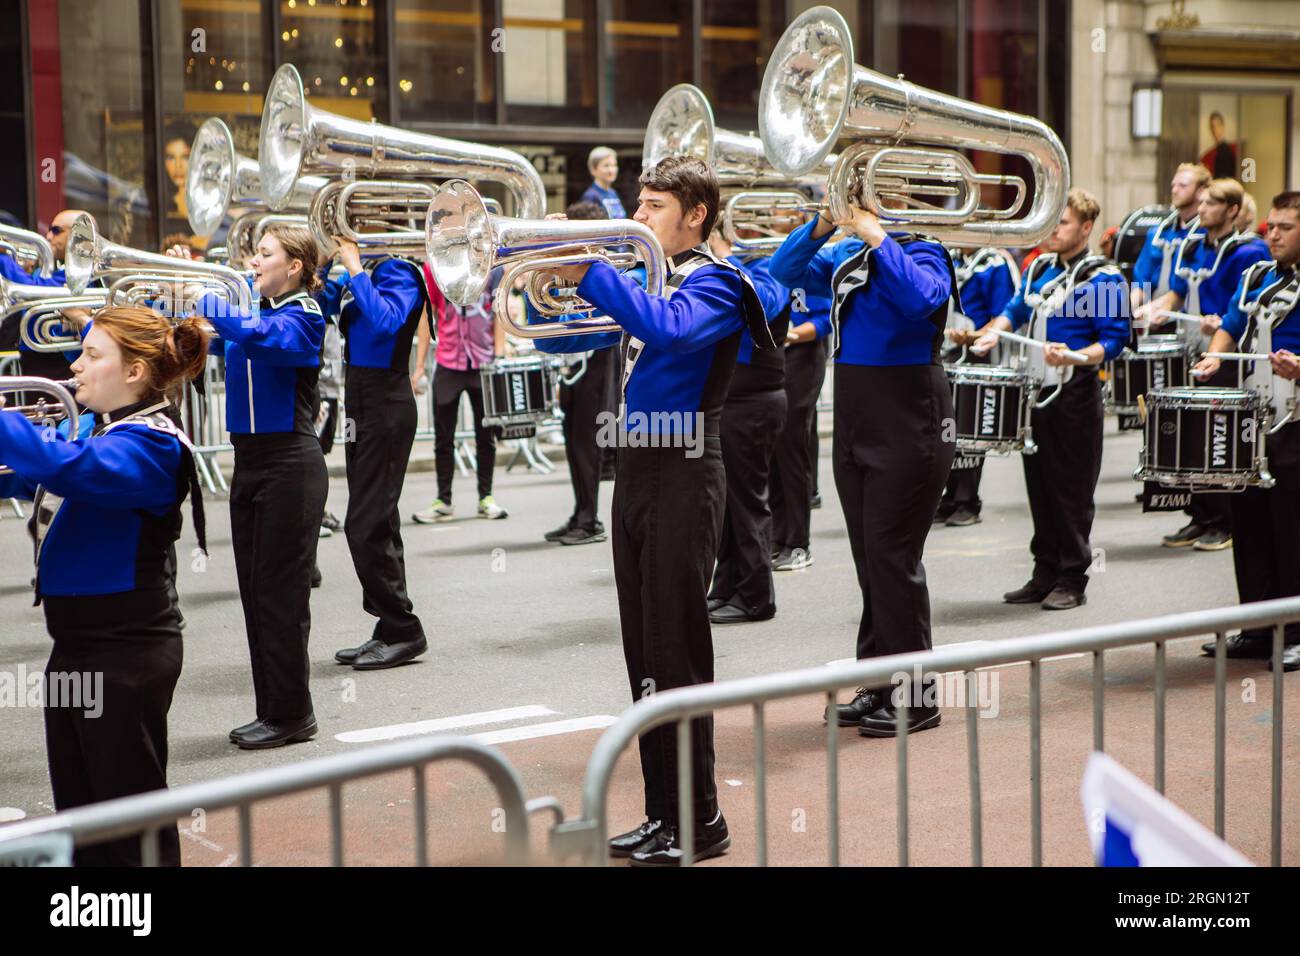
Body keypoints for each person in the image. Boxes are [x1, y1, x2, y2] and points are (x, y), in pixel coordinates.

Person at [545, 155, 775, 865]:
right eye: (639, 204)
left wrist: (590, 270)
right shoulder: (656, 276)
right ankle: (661, 813)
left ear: (695, 215)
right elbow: (597, 331)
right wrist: (555, 278)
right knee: (644, 650)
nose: (636, 216)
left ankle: (700, 821)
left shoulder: (719, 284)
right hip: (640, 469)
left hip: (685, 470)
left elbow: (671, 331)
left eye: (650, 206)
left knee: (678, 652)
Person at [0, 304, 209, 865]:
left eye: (92, 355)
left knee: (129, 818)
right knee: (82, 813)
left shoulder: (154, 443)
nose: (74, 365)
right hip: (75, 644)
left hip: (125, 650)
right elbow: (28, 470)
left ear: (135, 372)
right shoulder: (96, 427)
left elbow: (67, 467)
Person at [770, 183, 957, 739]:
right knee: (870, 559)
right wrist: (826, 223)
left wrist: (878, 236)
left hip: (910, 411)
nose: (861, 203)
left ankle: (918, 696)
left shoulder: (925, 249)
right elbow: (783, 270)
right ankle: (880, 681)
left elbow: (922, 299)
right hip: (855, 412)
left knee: (895, 558)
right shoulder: (842, 255)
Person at [169, 222, 327, 747]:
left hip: (290, 463)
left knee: (281, 597)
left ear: (295, 267)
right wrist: (175, 292)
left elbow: (263, 339)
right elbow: (206, 346)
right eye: (254, 255)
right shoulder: (252, 315)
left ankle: (293, 713)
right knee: (257, 595)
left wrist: (211, 298)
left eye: (264, 254)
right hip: (250, 463)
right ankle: (274, 710)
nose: (253, 263)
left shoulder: (303, 315)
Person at [968, 188, 1130, 612]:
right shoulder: (1040, 266)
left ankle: (1072, 578)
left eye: (1061, 223)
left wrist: (1075, 356)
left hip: (1075, 389)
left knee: (1071, 489)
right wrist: (990, 331)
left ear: (1086, 227)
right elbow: (1015, 309)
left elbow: (1112, 342)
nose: (1052, 230)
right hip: (1036, 388)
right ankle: (1044, 571)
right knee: (1039, 485)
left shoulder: (1103, 277)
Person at [1192, 190, 1300, 673]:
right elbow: (1232, 323)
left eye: (1284, 228)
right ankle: (1257, 628)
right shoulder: (1255, 276)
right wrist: (1216, 352)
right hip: (1252, 416)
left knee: (1292, 527)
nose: (1272, 234)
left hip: (1295, 418)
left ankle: (1296, 632)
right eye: (1270, 226)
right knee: (1250, 521)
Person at [1137, 178, 1271, 551]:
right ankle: (1200, 516)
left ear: (1231, 210)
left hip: (1229, 355)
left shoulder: (1249, 252)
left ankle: (1224, 521)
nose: (1203, 208)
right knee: (1193, 434)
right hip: (1195, 349)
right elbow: (1177, 294)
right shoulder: (1196, 246)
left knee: (1219, 438)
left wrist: (1222, 326)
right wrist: (1150, 310)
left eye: (1212, 203)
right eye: (1203, 202)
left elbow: (1245, 308)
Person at [329, 240, 431, 670]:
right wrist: (320, 268)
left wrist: (354, 267)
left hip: (386, 401)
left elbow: (388, 322)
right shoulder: (368, 270)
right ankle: (390, 624)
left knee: (365, 523)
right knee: (381, 521)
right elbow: (325, 307)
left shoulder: (401, 270)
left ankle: (405, 628)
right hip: (361, 401)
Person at [706, 228, 791, 624]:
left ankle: (757, 596)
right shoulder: (731, 270)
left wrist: (726, 257)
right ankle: (727, 585)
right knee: (727, 505)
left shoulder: (768, 268)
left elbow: (766, 303)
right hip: (731, 400)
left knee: (748, 502)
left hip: (755, 401)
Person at [540, 201, 617, 546]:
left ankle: (590, 520)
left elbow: (598, 321)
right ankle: (580, 512)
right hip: (572, 363)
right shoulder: (572, 268)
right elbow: (547, 318)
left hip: (598, 360)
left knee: (588, 442)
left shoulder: (607, 267)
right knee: (572, 438)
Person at [410, 261, 509, 523]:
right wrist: (419, 366)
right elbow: (426, 316)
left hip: (483, 360)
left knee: (485, 435)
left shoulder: (493, 267)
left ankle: (485, 497)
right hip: (448, 360)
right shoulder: (435, 268)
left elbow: (499, 313)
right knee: (444, 438)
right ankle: (444, 500)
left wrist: (499, 356)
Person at [935, 246, 1018, 527]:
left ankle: (967, 501)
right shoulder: (953, 258)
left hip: (979, 354)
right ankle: (949, 496)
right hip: (947, 353)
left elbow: (1003, 314)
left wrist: (973, 336)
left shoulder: (994, 263)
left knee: (968, 430)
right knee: (945, 429)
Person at [769, 281, 832, 572]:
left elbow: (823, 320)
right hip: (771, 357)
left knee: (792, 447)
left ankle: (798, 543)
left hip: (801, 357)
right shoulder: (759, 263)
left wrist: (789, 335)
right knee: (770, 452)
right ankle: (776, 536)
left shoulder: (806, 268)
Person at [1130, 164, 1211, 313]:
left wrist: (1155, 308)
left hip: (1192, 316)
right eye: (1173, 185)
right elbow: (1142, 284)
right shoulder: (1158, 233)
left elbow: (1189, 290)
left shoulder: (1207, 235)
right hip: (1153, 316)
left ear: (1201, 191)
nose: (1174, 190)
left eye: (1182, 186)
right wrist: (1125, 311)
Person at [578, 146, 626, 219]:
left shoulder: (613, 193)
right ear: (593, 169)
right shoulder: (590, 196)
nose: (611, 170)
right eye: (606, 166)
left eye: (614, 165)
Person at [1200, 112, 1238, 180]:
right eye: (1213, 126)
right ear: (1210, 129)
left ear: (1223, 126)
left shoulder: (1234, 149)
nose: (1215, 129)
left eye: (1218, 125)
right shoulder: (1207, 156)